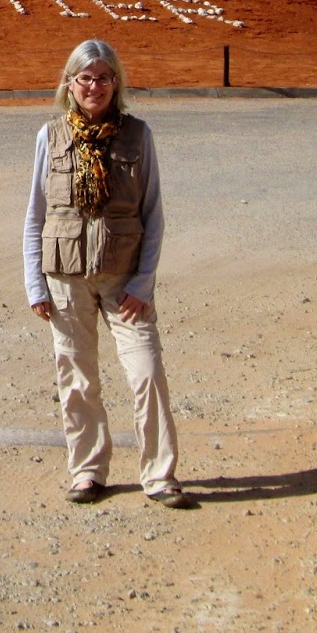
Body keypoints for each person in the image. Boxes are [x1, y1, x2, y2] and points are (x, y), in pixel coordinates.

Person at [21, 39, 197, 508]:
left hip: (124, 280)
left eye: (102, 77)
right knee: (76, 378)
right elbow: (36, 215)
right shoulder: (50, 136)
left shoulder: (138, 136)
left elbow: (153, 214)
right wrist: (35, 282)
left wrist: (144, 283)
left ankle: (159, 475)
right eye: (84, 78)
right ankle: (87, 471)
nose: (93, 86)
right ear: (70, 84)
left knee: (147, 371)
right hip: (66, 278)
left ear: (115, 82)